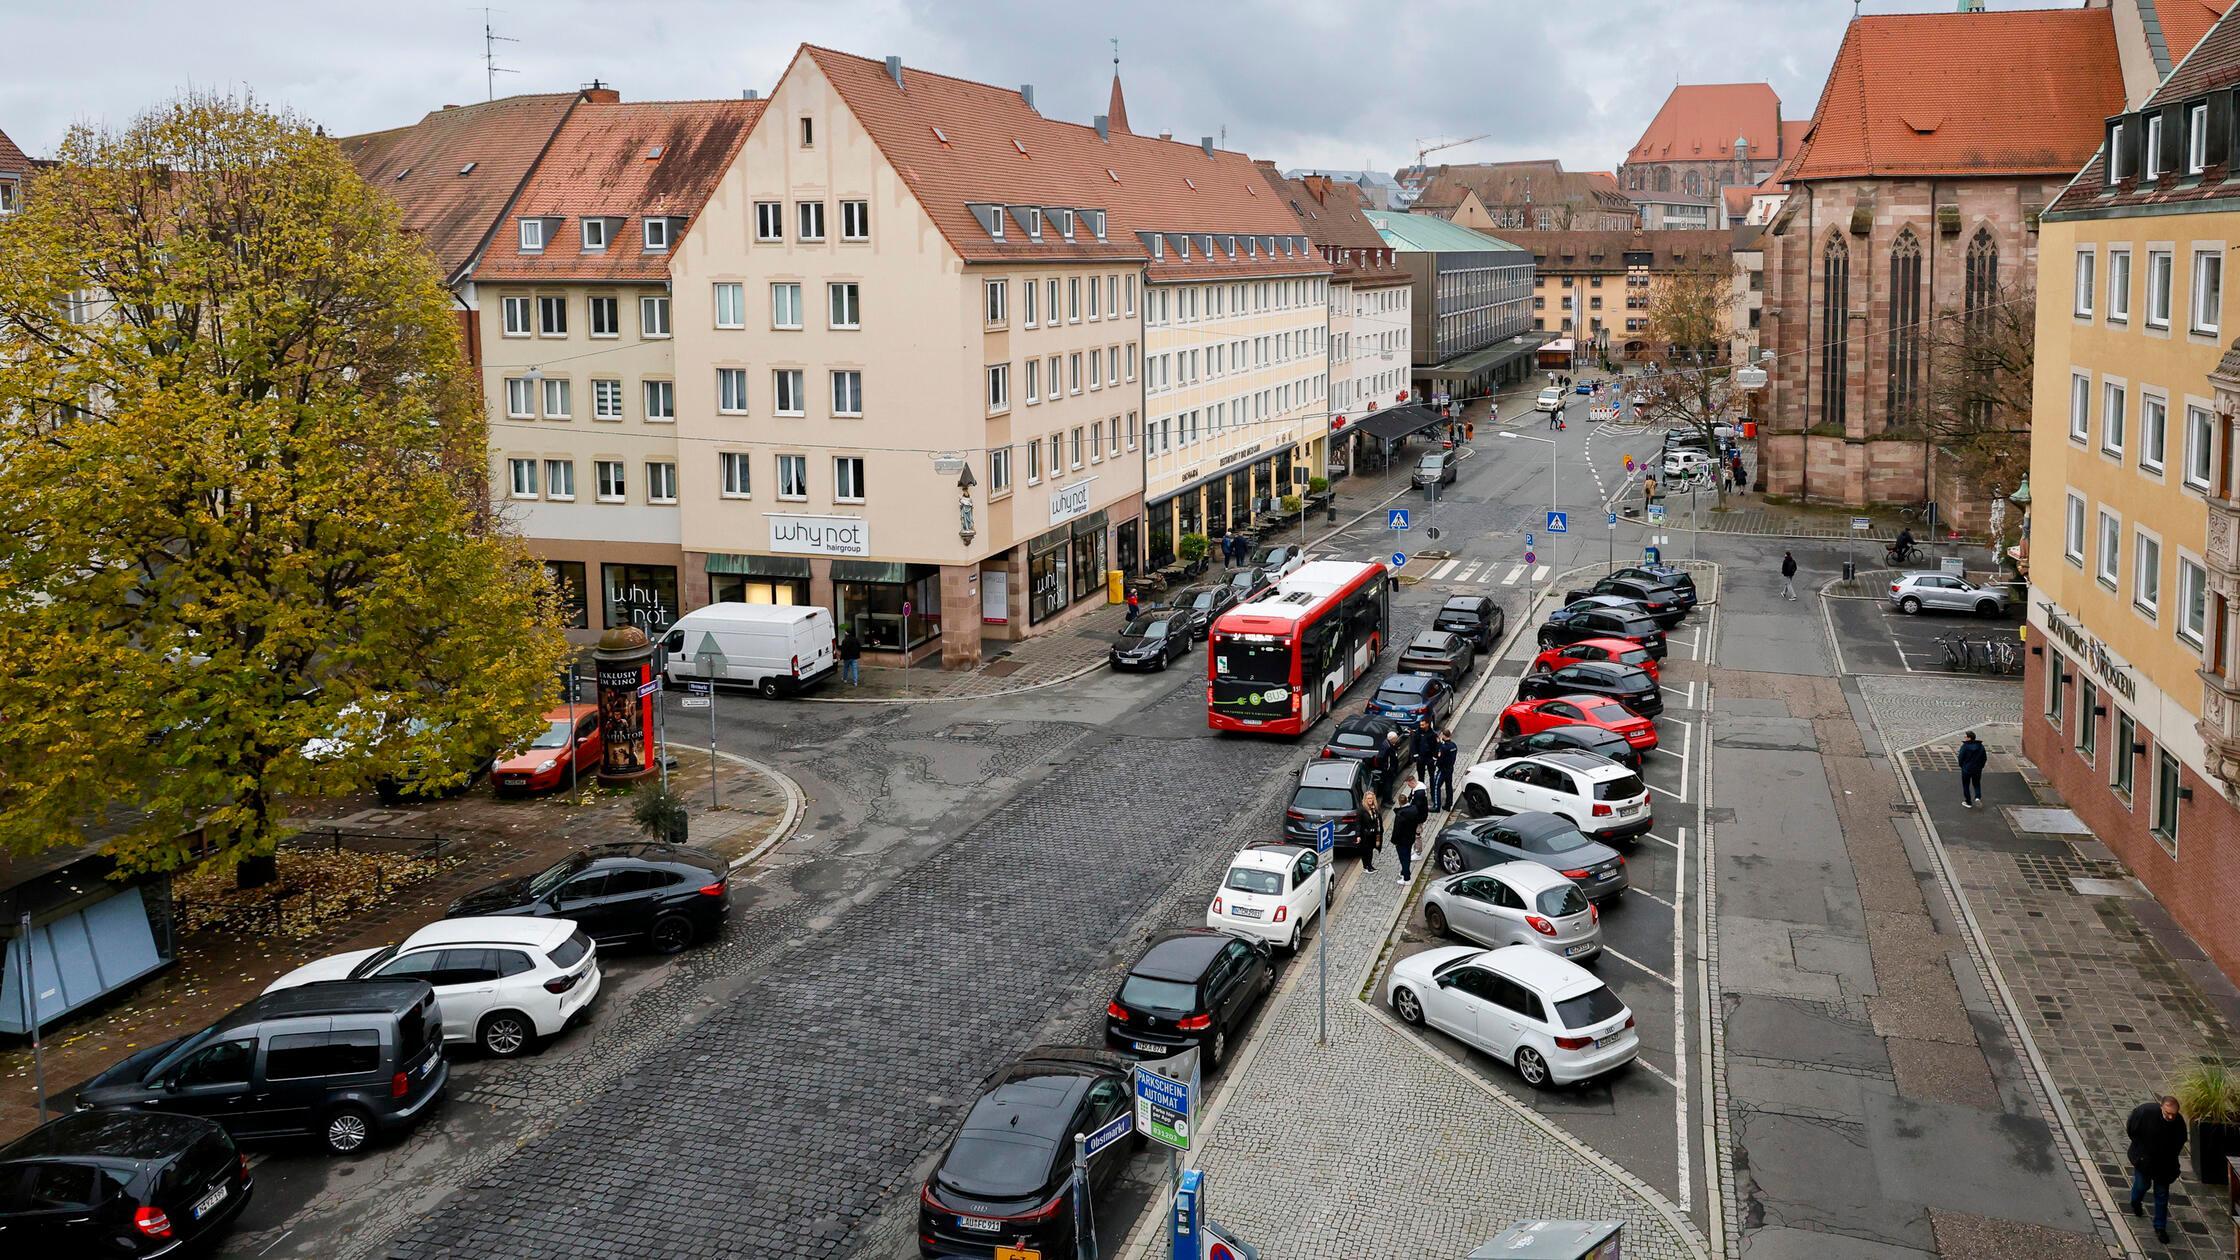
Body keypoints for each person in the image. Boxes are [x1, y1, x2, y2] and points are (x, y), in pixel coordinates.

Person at [2127, 1094, 2187, 1243]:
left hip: (2164, 1165)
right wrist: (2140, 1149)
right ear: (2161, 1107)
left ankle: (2160, 1227)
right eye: (2168, 1113)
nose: (2171, 1117)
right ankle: (2135, 1201)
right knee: (2142, 1185)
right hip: (2145, 1160)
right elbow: (2132, 1128)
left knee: (2161, 1195)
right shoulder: (2145, 1112)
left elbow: (2180, 1141)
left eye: (2174, 1114)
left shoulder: (2178, 1123)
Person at [1390, 776, 1429, 883]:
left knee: (1405, 856)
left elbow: (1397, 830)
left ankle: (1417, 854)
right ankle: (1405, 871)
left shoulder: (1402, 814)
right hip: (1410, 836)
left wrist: (1394, 840)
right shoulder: (1416, 796)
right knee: (1407, 853)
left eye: (1408, 784)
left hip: (1405, 839)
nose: (1408, 787)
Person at [1957, 731, 1987, 808]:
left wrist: (1962, 766)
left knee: (1966, 785)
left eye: (1966, 737)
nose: (1965, 738)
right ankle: (1977, 797)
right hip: (1977, 769)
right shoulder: (1980, 746)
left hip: (1966, 769)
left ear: (1969, 738)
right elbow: (1984, 758)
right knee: (1976, 784)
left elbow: (1961, 757)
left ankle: (1968, 802)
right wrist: (1981, 766)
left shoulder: (1965, 746)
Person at [1435, 728, 1460, 811]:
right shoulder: (1454, 745)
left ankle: (1436, 806)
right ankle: (1448, 804)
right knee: (1449, 787)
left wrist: (1437, 764)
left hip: (1443, 770)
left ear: (1444, 736)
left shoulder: (1444, 747)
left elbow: (1440, 758)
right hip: (1450, 769)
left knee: (1436, 786)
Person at [1358, 789, 1382, 872]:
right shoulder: (1362, 810)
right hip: (1365, 835)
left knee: (1371, 850)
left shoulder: (1374, 809)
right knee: (1366, 851)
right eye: (1368, 798)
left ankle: (1369, 865)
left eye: (1371, 798)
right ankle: (1366, 866)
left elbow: (1377, 820)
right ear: (1365, 799)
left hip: (1373, 834)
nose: (1370, 800)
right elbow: (1358, 823)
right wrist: (1358, 835)